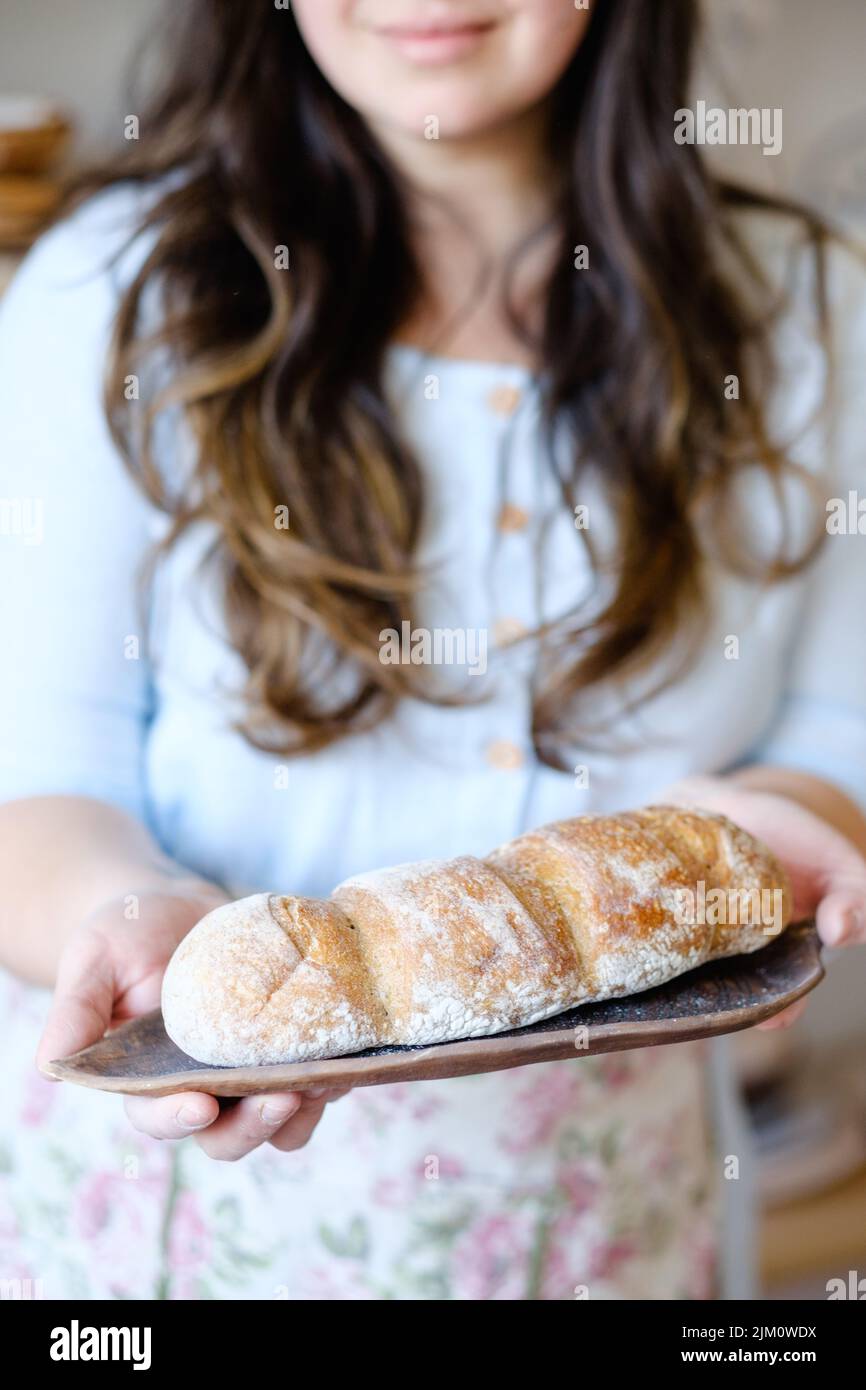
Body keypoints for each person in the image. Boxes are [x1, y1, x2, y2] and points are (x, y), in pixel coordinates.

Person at [1, 0, 865, 1301]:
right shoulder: (108, 292)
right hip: (178, 1243)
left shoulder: (812, 315)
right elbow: (34, 768)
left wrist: (754, 826)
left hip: (605, 1222)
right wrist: (131, 922)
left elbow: (833, 731)